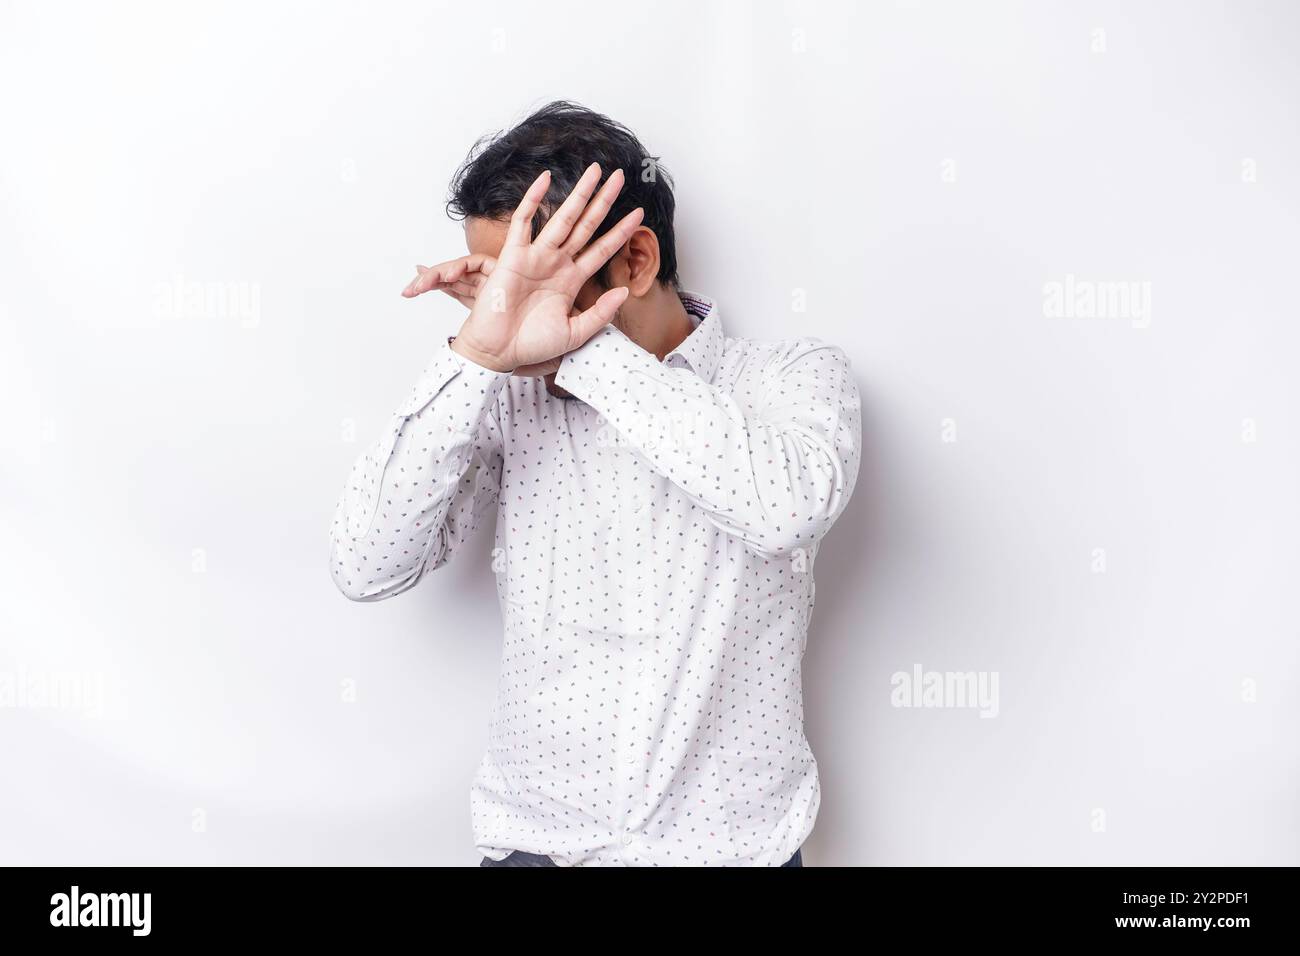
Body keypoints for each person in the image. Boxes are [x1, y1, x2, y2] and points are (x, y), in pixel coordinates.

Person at [329, 102, 861, 866]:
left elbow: (784, 509)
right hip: (534, 849)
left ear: (637, 261)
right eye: (497, 284)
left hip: (731, 853)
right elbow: (365, 562)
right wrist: (475, 352)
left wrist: (580, 353)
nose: (509, 307)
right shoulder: (504, 392)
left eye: (534, 282)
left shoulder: (792, 380)